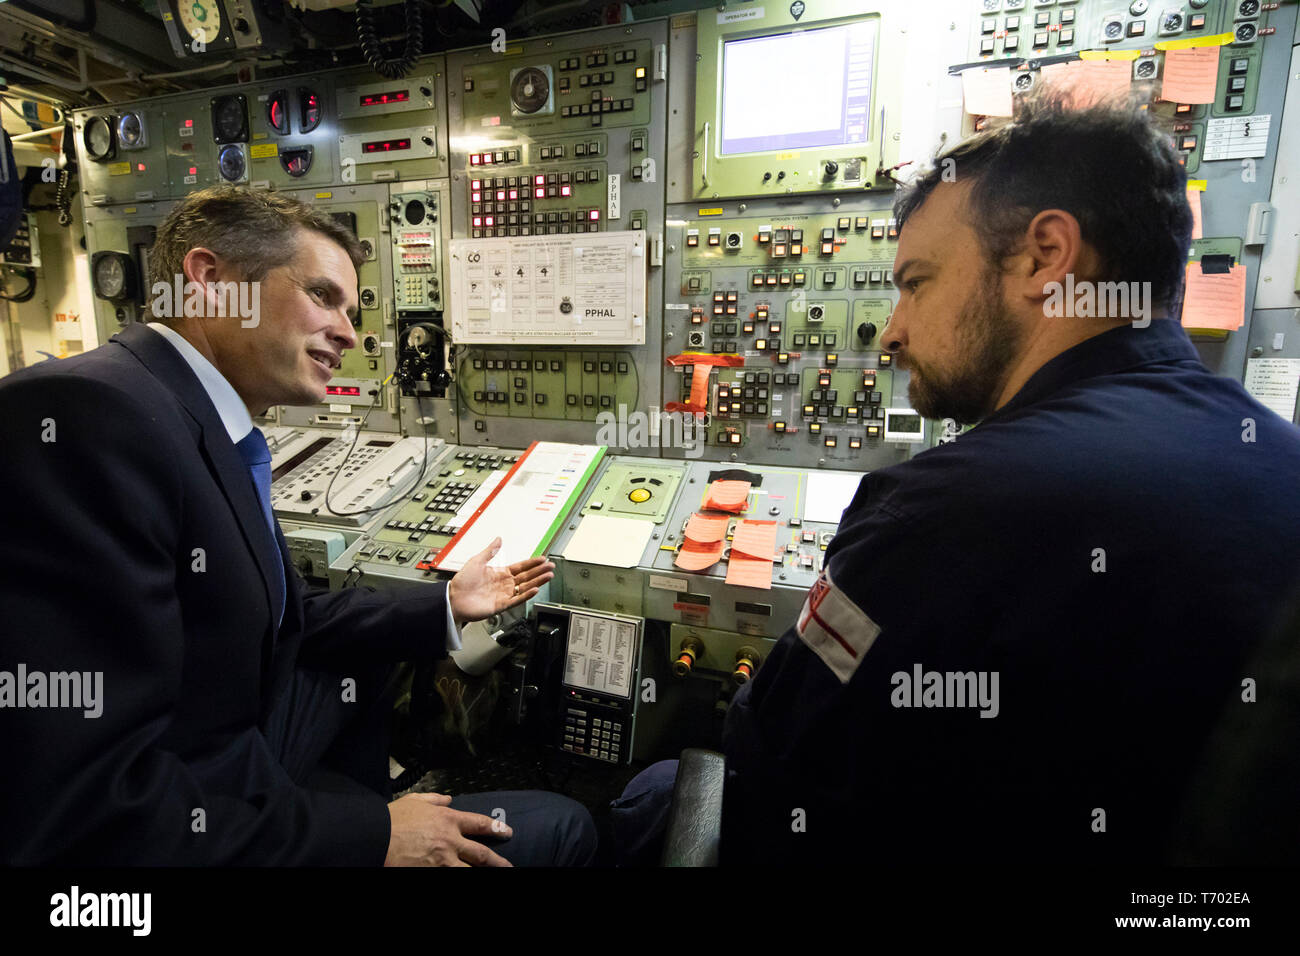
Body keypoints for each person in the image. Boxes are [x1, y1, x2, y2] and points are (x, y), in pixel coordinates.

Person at [616, 92, 1300, 864]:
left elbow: (770, 757)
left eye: (917, 282)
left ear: (1047, 256)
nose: (895, 332)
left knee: (660, 794)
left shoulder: (942, 510)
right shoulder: (1282, 457)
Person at [0, 185, 595, 867]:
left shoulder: (189, 415)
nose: (350, 331)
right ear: (211, 281)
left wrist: (445, 605)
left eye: (350, 307)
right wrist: (375, 837)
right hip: (182, 822)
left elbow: (283, 615)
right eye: (323, 296)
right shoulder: (85, 417)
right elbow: (84, 815)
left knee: (360, 663)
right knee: (565, 825)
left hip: (227, 749)